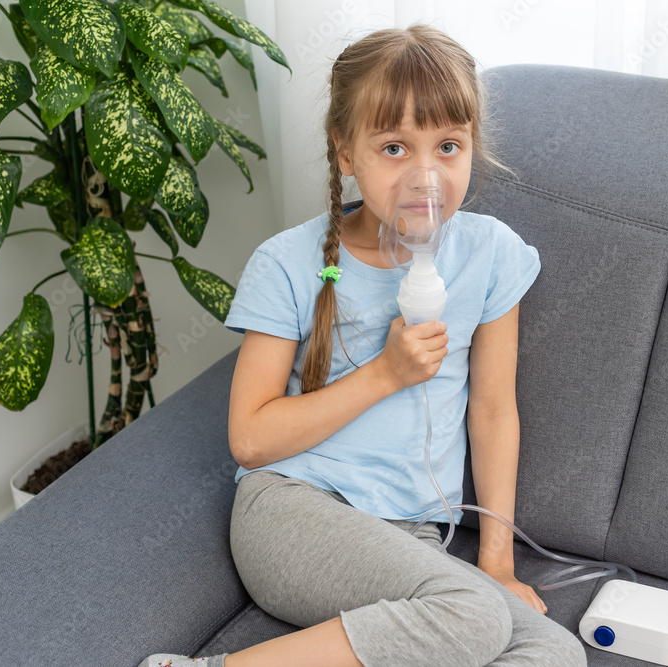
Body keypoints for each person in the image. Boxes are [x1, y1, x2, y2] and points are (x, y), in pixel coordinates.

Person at [139, 23, 587, 667]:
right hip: (291, 511)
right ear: (346, 152)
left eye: (449, 146)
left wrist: (496, 560)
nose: (426, 177)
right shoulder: (289, 263)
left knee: (553, 654)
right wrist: (385, 373)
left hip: (409, 537)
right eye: (395, 148)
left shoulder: (490, 256)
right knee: (471, 616)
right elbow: (251, 439)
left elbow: (493, 411)